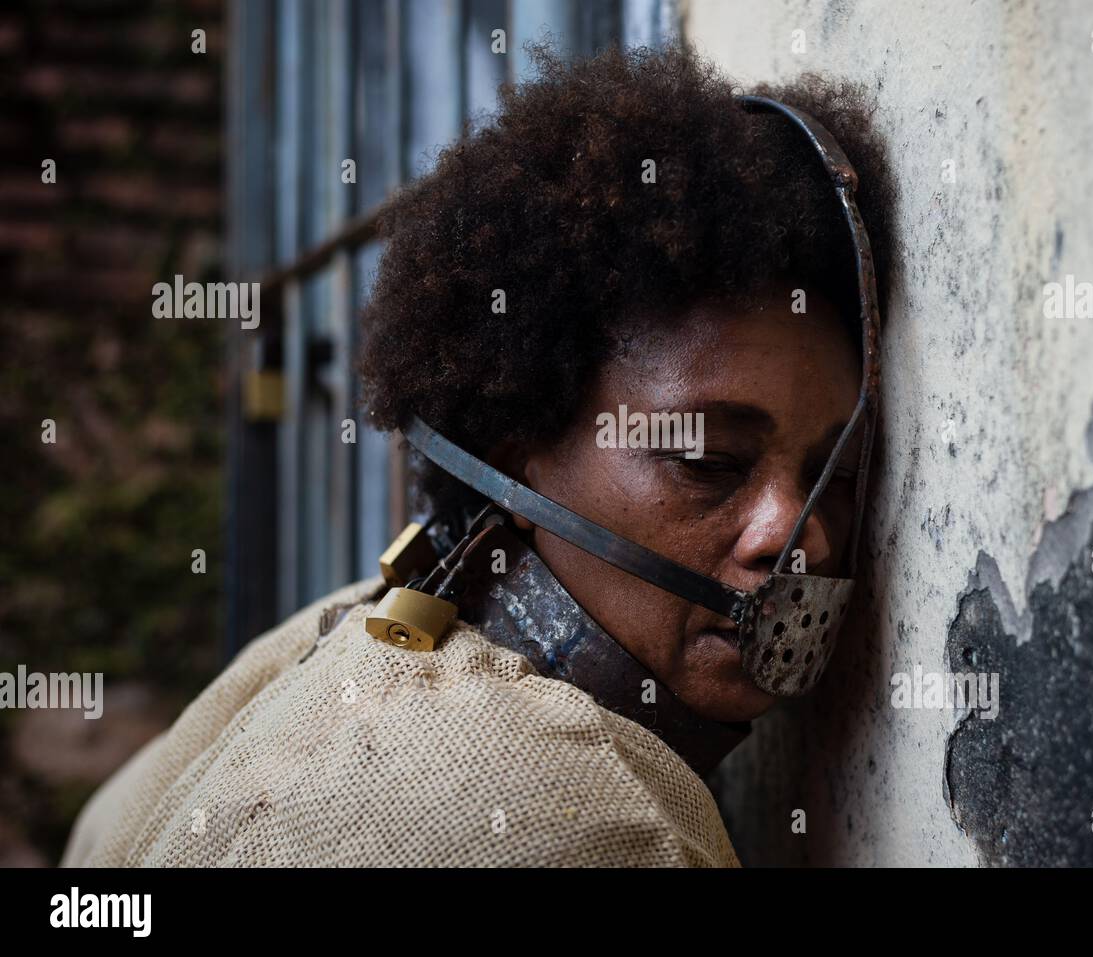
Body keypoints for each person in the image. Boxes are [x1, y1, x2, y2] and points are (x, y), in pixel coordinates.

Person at [62, 44, 888, 868]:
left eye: (835, 477)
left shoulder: (339, 628)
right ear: (516, 451)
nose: (796, 536)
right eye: (707, 459)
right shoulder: (589, 825)